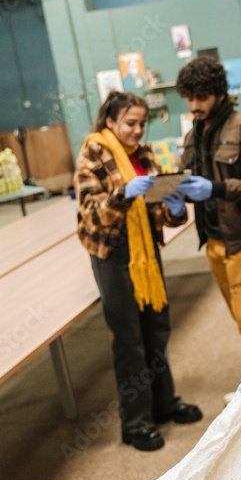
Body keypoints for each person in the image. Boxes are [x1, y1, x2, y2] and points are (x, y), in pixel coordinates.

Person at [74, 91, 203, 452]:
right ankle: (135, 422)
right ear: (110, 121)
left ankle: (163, 403)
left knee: (157, 328)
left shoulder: (144, 155)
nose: (138, 130)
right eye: (130, 123)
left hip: (146, 253)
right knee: (129, 338)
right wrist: (123, 193)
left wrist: (174, 207)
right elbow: (91, 213)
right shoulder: (92, 153)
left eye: (142, 123)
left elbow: (158, 212)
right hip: (112, 254)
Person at [176, 57, 241, 391]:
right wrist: (177, 193)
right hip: (213, 240)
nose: (195, 105)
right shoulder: (194, 135)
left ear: (219, 94)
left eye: (201, 97)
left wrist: (215, 188)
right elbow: (187, 178)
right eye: (189, 98)